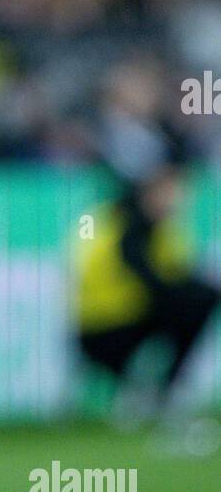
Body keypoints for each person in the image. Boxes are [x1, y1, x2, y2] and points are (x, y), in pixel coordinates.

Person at [76, 164, 220, 421]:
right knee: (197, 301)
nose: (177, 198)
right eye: (170, 191)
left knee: (199, 299)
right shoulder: (121, 226)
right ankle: (159, 390)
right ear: (149, 192)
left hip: (128, 314)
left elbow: (178, 272)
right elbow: (148, 277)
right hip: (105, 323)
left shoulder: (157, 226)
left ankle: (160, 388)